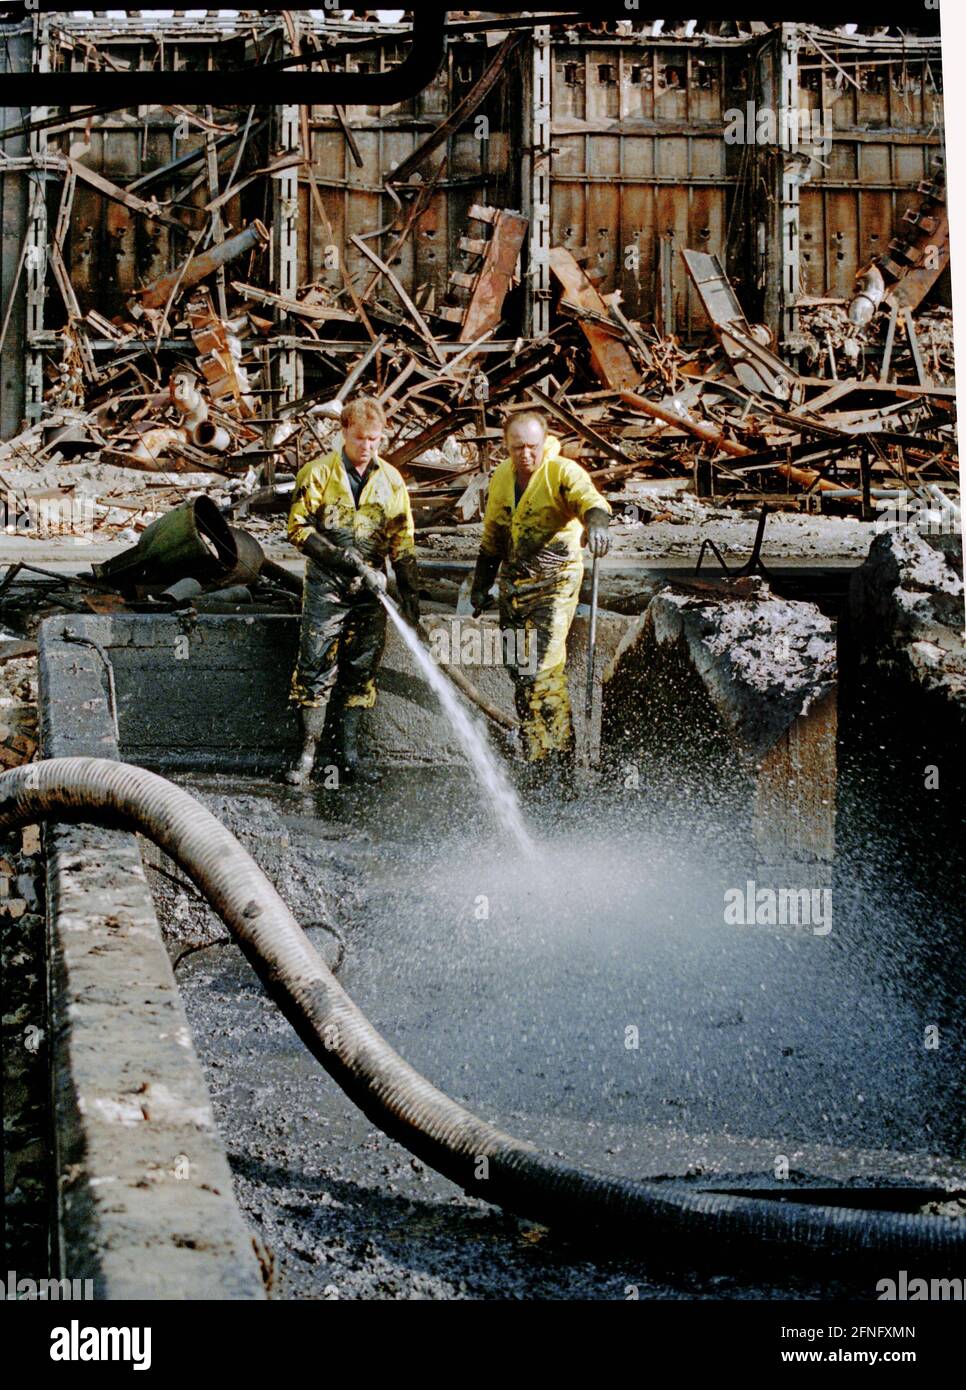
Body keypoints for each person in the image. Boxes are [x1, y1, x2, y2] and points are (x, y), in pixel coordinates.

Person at [468, 410, 610, 788]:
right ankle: (536, 752)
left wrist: (596, 526)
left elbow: (592, 503)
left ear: (543, 442)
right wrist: (480, 588)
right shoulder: (501, 478)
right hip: (515, 587)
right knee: (519, 671)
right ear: (506, 446)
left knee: (543, 670)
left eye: (531, 447)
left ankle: (562, 764)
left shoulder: (562, 471)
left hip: (555, 583)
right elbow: (493, 539)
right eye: (517, 448)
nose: (525, 455)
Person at [285, 396, 420, 786]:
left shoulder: (392, 480)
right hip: (327, 590)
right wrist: (342, 558)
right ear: (343, 431)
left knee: (361, 671)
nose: (368, 447)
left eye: (375, 440)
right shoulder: (317, 474)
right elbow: (298, 529)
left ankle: (350, 757)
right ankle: (307, 756)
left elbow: (403, 541)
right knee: (314, 668)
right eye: (361, 438)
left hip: (371, 594)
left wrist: (411, 595)